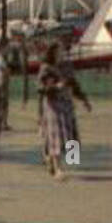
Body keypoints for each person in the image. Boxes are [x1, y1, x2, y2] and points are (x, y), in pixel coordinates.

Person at [37, 43, 90, 179]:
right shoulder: (46, 69)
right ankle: (57, 168)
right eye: (59, 52)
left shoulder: (67, 67)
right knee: (56, 137)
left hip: (66, 106)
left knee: (70, 136)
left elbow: (74, 85)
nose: (62, 55)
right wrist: (56, 86)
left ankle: (52, 159)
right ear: (53, 53)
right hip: (53, 107)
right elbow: (42, 89)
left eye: (63, 52)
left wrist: (84, 100)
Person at [0, 46, 12, 131]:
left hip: (3, 83)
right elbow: (4, 70)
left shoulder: (2, 59)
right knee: (2, 104)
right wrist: (8, 71)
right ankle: (2, 123)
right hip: (1, 83)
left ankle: (4, 122)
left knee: (4, 104)